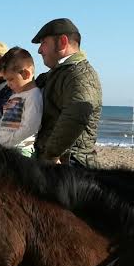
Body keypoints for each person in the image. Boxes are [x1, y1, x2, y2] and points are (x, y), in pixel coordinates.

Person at [32, 18, 103, 166]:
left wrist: (51, 155)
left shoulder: (81, 75)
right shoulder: (58, 73)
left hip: (70, 166)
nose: (39, 50)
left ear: (63, 42)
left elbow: (75, 117)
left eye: (44, 43)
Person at [0, 47, 43, 155]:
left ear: (26, 74)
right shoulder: (14, 96)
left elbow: (31, 127)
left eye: (11, 79)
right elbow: (2, 123)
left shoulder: (33, 96)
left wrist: (7, 143)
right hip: (5, 149)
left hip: (21, 152)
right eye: (6, 80)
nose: (8, 84)